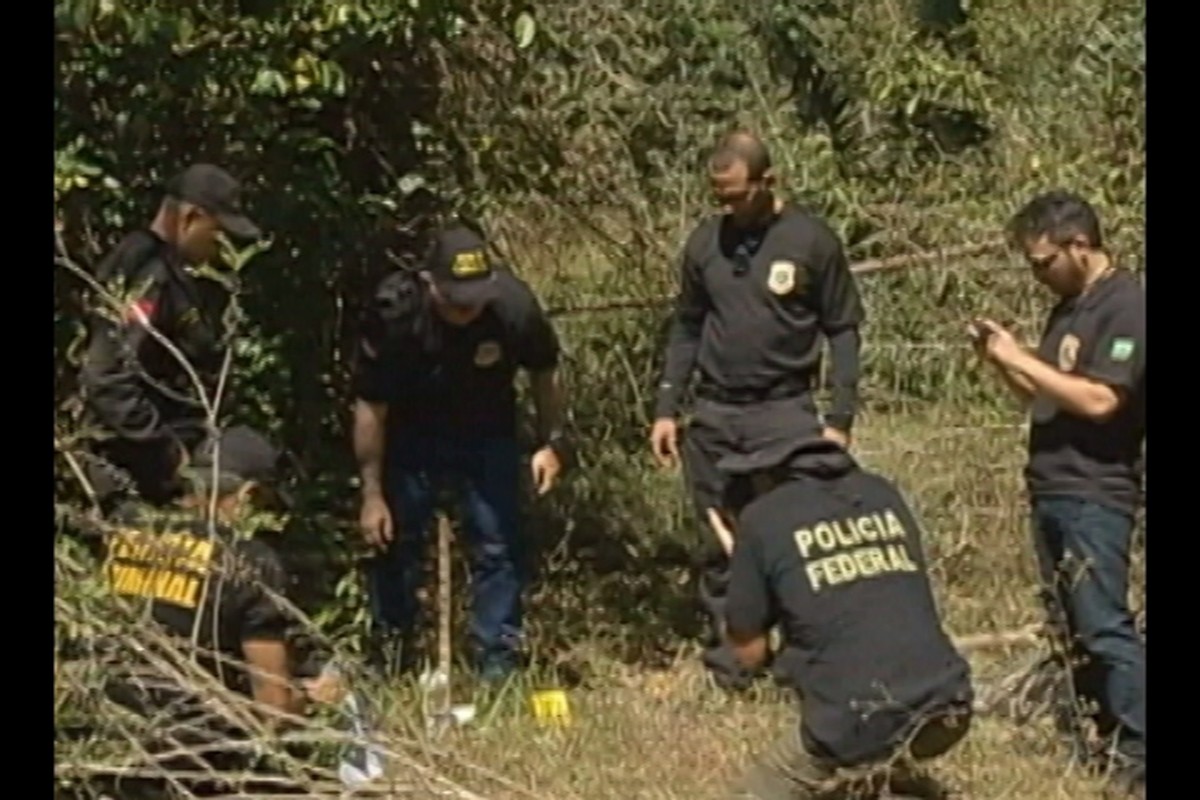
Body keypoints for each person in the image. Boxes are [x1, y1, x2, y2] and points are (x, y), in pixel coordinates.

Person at [648, 129, 866, 691]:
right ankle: (733, 664)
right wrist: (667, 407)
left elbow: (843, 330)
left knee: (795, 539)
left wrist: (838, 419)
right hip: (716, 415)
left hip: (785, 412)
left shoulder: (812, 242)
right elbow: (688, 326)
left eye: (737, 196)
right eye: (718, 198)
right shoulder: (704, 245)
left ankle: (802, 660)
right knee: (720, 541)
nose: (728, 208)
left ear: (769, 183)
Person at [971, 190, 1145, 794]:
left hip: (1096, 493)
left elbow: (1100, 399)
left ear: (1079, 245)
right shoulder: (1068, 308)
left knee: (1104, 627)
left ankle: (1136, 756)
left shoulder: (1127, 308)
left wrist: (1023, 356)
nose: (1038, 275)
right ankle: (1087, 744)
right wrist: (1004, 362)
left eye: (1044, 263)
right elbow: (1048, 398)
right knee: (1067, 630)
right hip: (1049, 485)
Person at [352, 222, 569, 683]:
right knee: (395, 543)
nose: (467, 311)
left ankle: (498, 665)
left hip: (487, 432)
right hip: (410, 438)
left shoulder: (513, 306)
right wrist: (372, 493)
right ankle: (391, 661)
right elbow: (370, 408)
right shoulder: (395, 313)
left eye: (476, 300)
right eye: (456, 301)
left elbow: (545, 372)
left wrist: (552, 442)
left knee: (499, 545)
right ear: (430, 284)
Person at [711, 435, 974, 800]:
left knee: (761, 790)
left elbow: (747, 652)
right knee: (869, 765)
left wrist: (742, 559)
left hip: (852, 720)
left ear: (763, 477)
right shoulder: (881, 492)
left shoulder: (763, 519)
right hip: (950, 702)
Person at [93, 425, 342, 798]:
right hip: (196, 762)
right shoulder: (248, 564)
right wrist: (314, 696)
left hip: (110, 745)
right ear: (248, 495)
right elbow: (274, 715)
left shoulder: (128, 531)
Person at [77, 163, 262, 514]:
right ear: (190, 218)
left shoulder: (171, 271)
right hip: (134, 469)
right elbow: (107, 375)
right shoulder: (148, 273)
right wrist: (167, 454)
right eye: (217, 234)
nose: (221, 248)